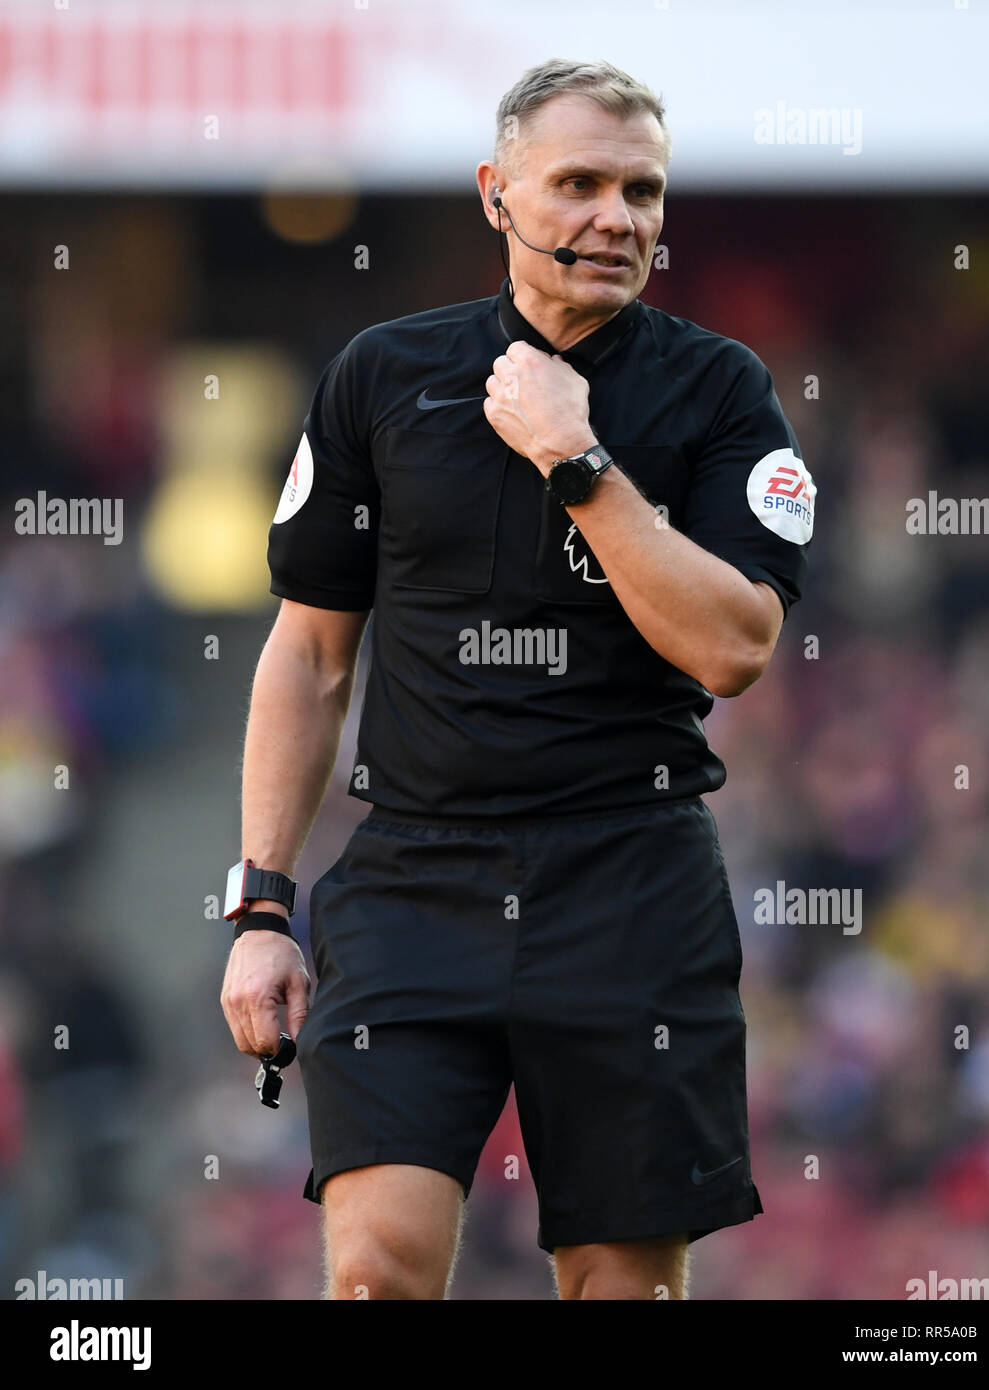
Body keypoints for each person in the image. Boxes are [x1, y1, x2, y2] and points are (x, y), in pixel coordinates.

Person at [220, 57, 816, 1301]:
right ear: (497, 194)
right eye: (580, 183)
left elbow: (735, 646)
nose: (618, 216)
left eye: (643, 190)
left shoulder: (721, 391)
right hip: (413, 877)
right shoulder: (381, 375)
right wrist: (263, 908)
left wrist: (578, 456)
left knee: (622, 1284)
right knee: (373, 1272)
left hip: (631, 884)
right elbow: (310, 652)